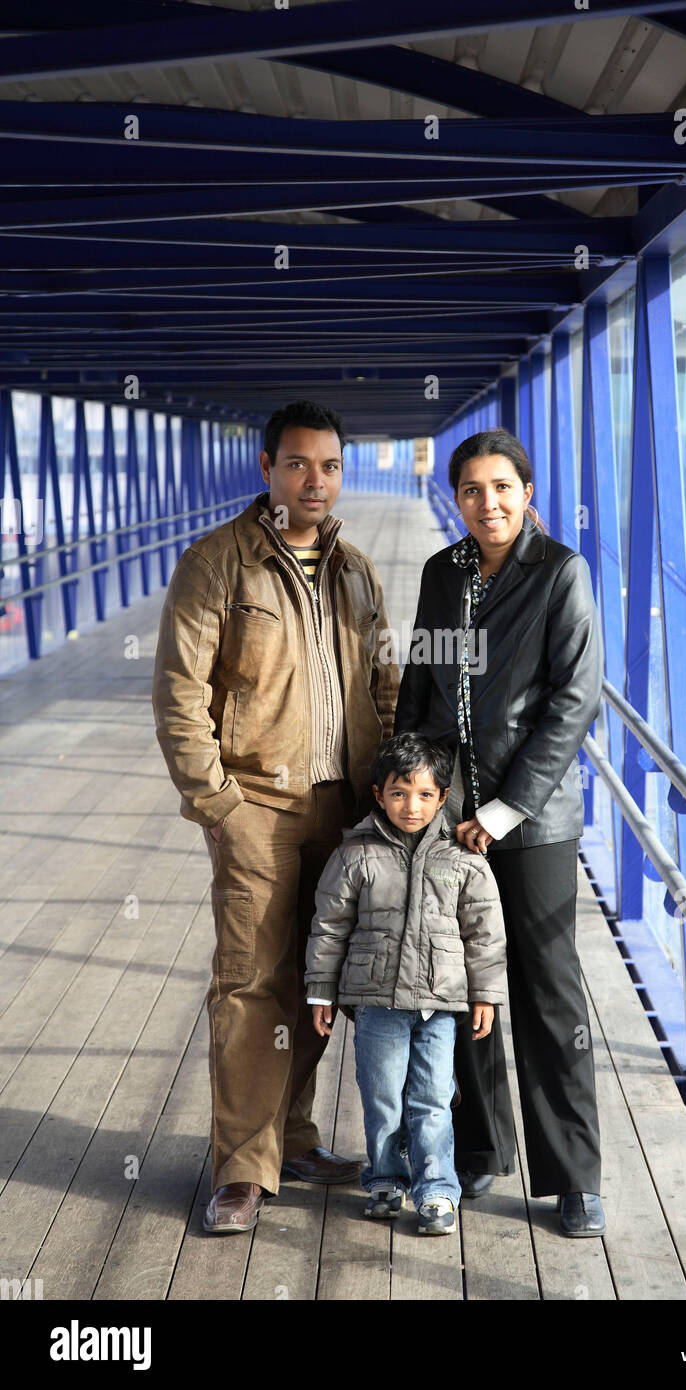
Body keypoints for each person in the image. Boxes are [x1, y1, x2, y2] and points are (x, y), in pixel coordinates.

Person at [152, 399, 399, 1234]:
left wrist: (394, 793)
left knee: (317, 979)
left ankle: (291, 1139)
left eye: (329, 466)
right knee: (254, 983)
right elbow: (179, 695)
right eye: (299, 464)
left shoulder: (356, 571)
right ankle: (241, 1170)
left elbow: (385, 685)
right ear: (267, 470)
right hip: (257, 806)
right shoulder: (218, 564)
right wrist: (218, 803)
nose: (316, 481)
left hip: (347, 807)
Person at [395, 428, 605, 1238]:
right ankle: (482, 1147)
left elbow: (572, 701)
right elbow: (421, 685)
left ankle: (574, 1177)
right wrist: (415, 792)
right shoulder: (441, 575)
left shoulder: (559, 574)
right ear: (456, 497)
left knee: (549, 995)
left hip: (533, 822)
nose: (488, 503)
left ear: (527, 493)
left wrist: (503, 809)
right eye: (472, 489)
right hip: (446, 814)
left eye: (502, 488)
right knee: (460, 985)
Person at [305, 732, 507, 1235]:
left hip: (440, 1003)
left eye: (423, 794)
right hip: (376, 1004)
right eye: (398, 793)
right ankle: (385, 1179)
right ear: (379, 795)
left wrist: (485, 994)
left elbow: (485, 933)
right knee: (380, 1095)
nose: (410, 806)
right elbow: (329, 926)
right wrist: (320, 989)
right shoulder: (355, 854)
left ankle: (436, 1190)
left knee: (433, 1096)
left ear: (442, 797)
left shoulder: (464, 859)